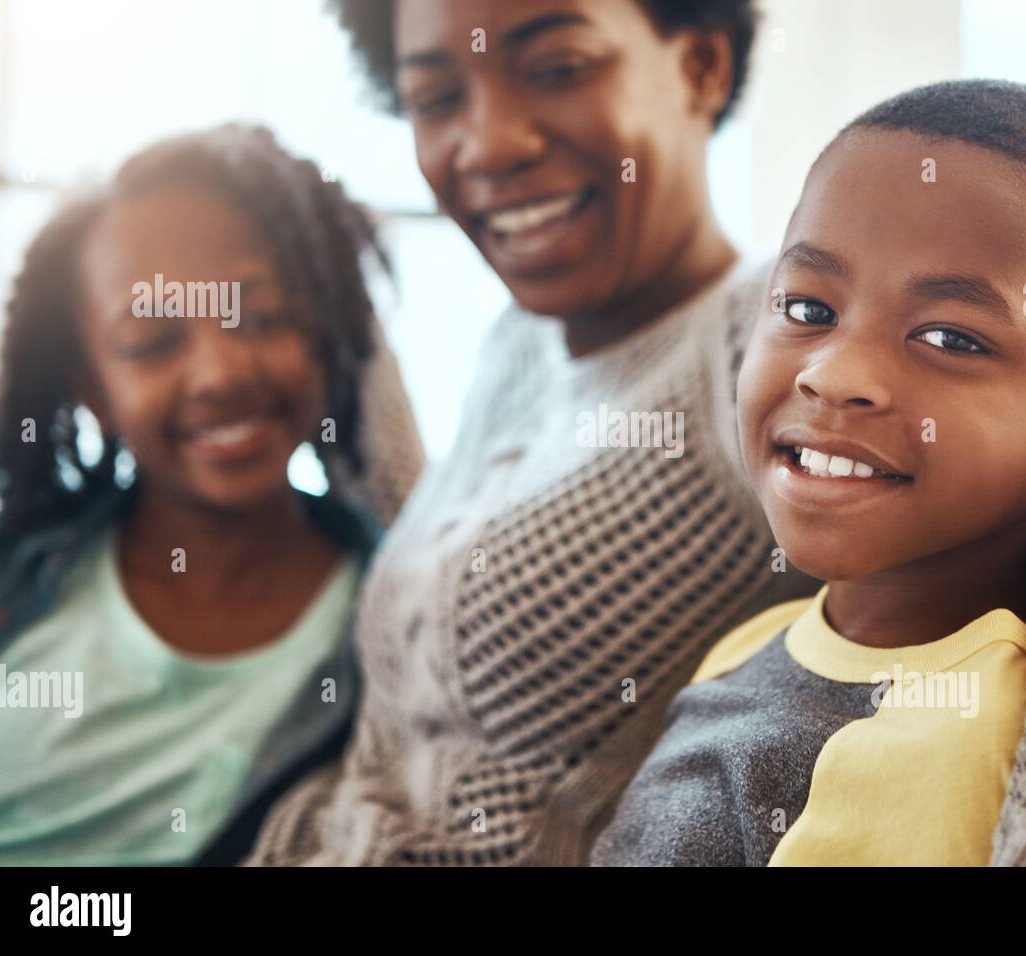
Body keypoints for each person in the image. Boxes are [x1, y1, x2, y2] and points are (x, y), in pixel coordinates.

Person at [591, 80, 1026, 866]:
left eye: (951, 338)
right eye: (810, 310)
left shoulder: (961, 744)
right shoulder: (759, 642)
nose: (834, 373)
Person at [245, 0, 818, 866]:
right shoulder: (517, 343)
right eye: (436, 99)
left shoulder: (774, 340)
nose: (488, 144)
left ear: (702, 67)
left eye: (555, 70)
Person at [0, 124, 420, 865]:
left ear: (327, 328)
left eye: (262, 318)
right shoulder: (4, 576)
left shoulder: (400, 631)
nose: (219, 373)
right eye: (153, 342)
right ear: (93, 392)